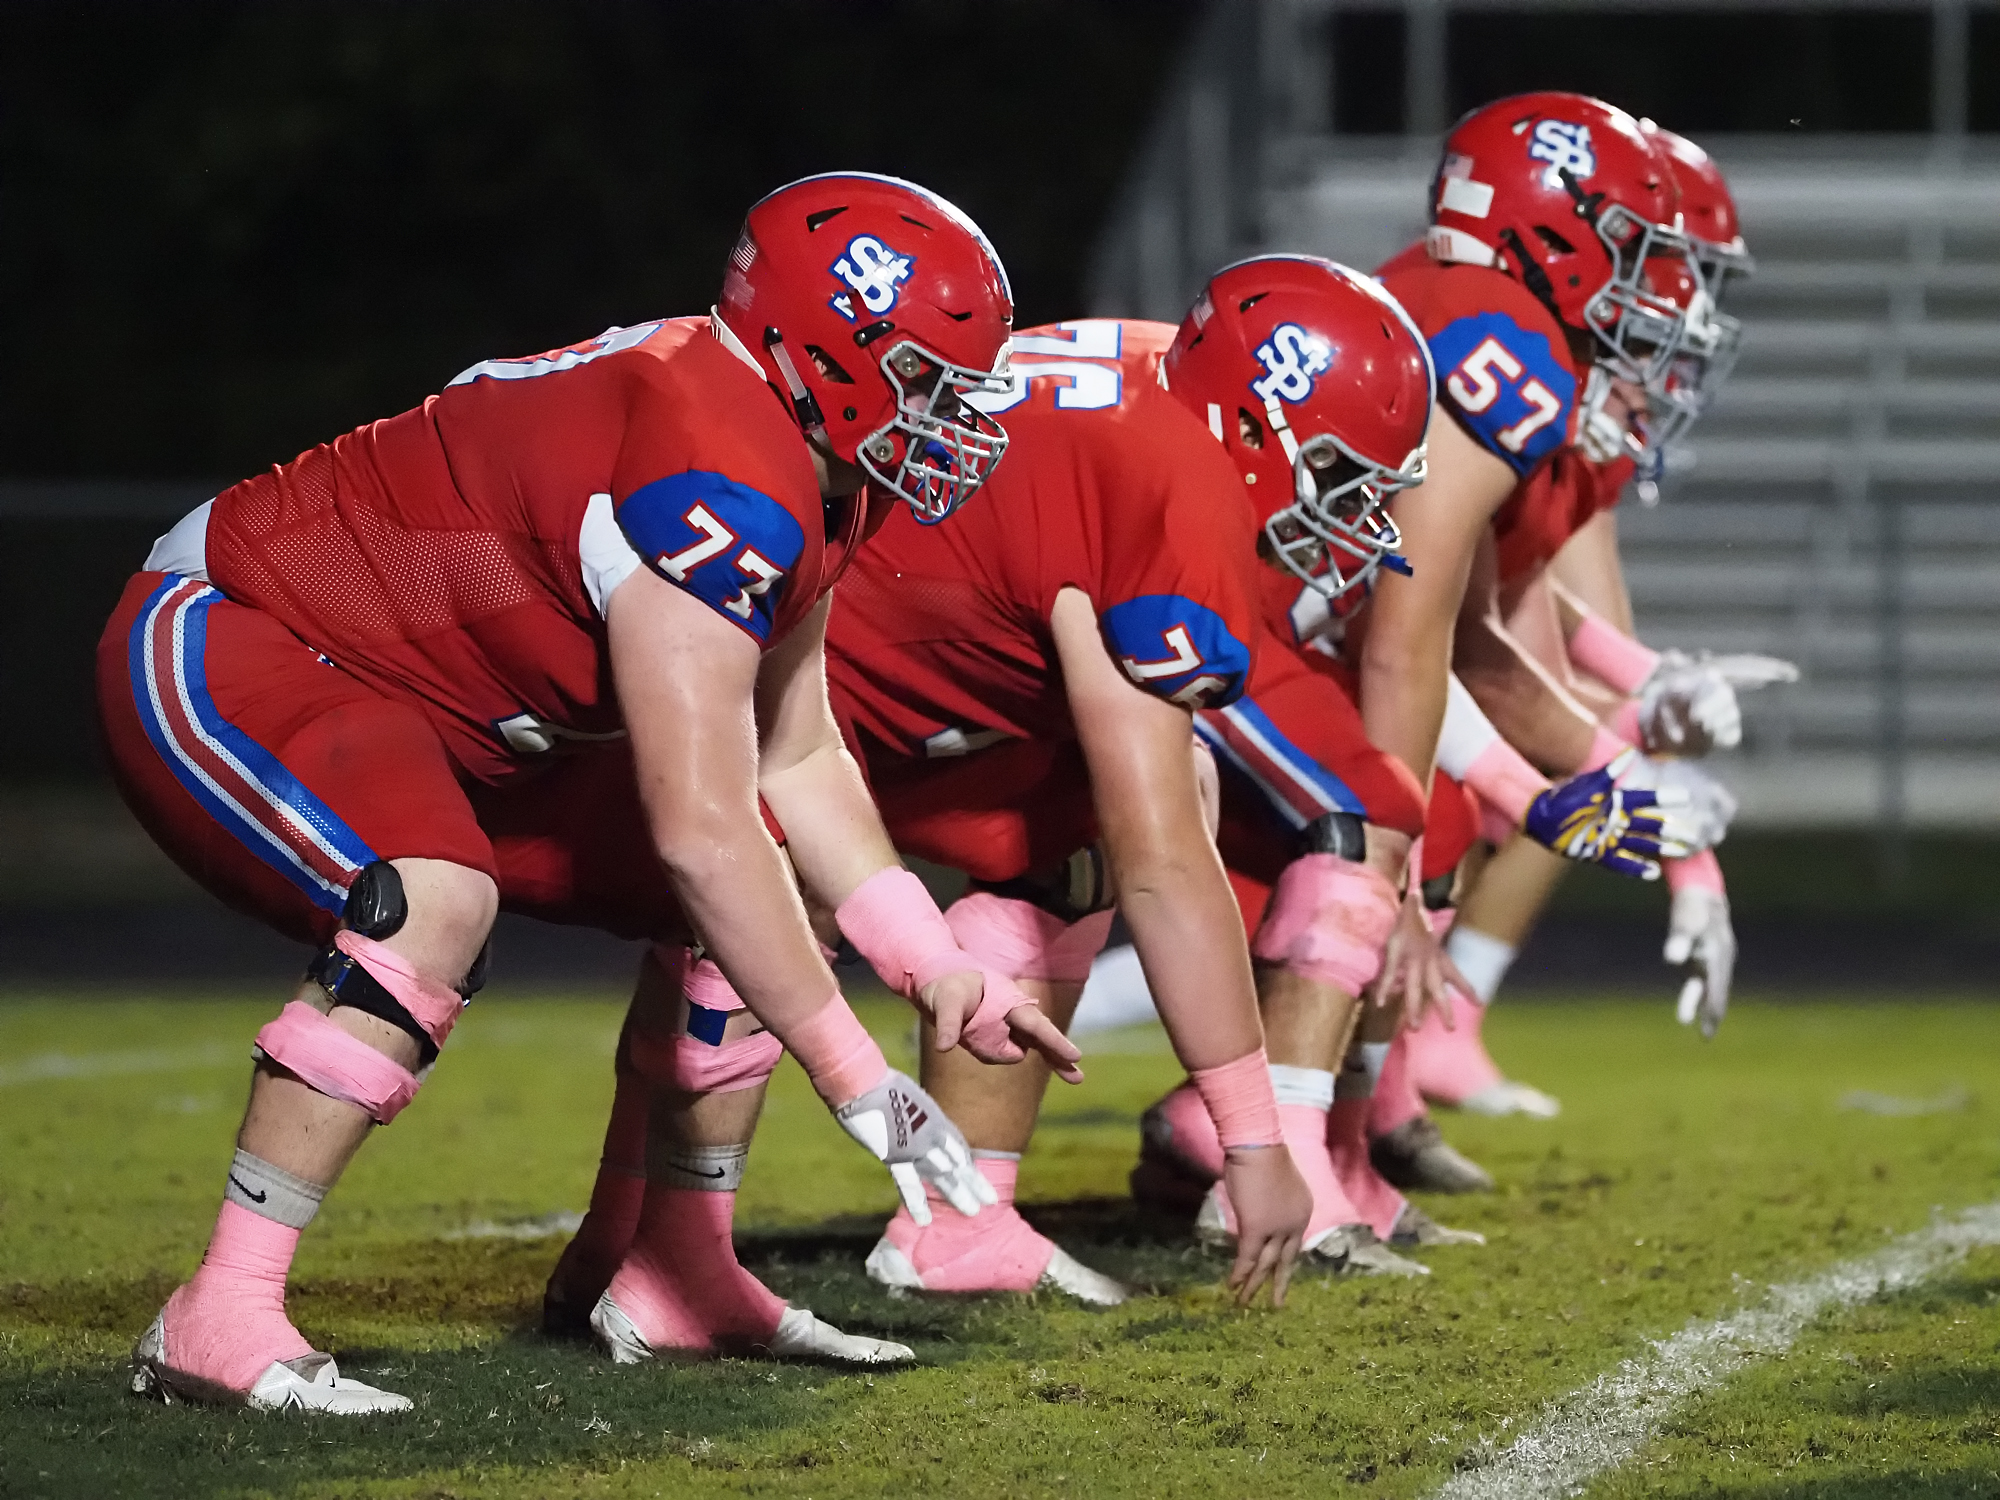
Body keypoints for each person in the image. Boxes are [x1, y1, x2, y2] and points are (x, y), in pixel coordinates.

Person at [100, 172, 1043, 1414]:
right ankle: (219, 1309)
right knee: (434, 904)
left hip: (462, 720)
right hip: (247, 631)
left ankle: (676, 1271)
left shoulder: (805, 459)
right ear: (826, 351)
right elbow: (699, 827)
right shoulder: (717, 465)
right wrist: (857, 1074)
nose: (946, 416)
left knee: (766, 889)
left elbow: (794, 754)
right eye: (925, 380)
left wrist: (931, 962)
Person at [1388, 117, 1794, 1130]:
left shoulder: (1533, 370)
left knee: (1531, 764)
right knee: (1431, 816)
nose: (1679, 302)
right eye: (1656, 263)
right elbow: (1457, 647)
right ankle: (1307, 1107)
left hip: (1349, 651)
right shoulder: (1489, 356)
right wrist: (1641, 780)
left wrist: (1647, 690)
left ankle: (1383, 1074)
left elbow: (1515, 619)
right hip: (1253, 653)